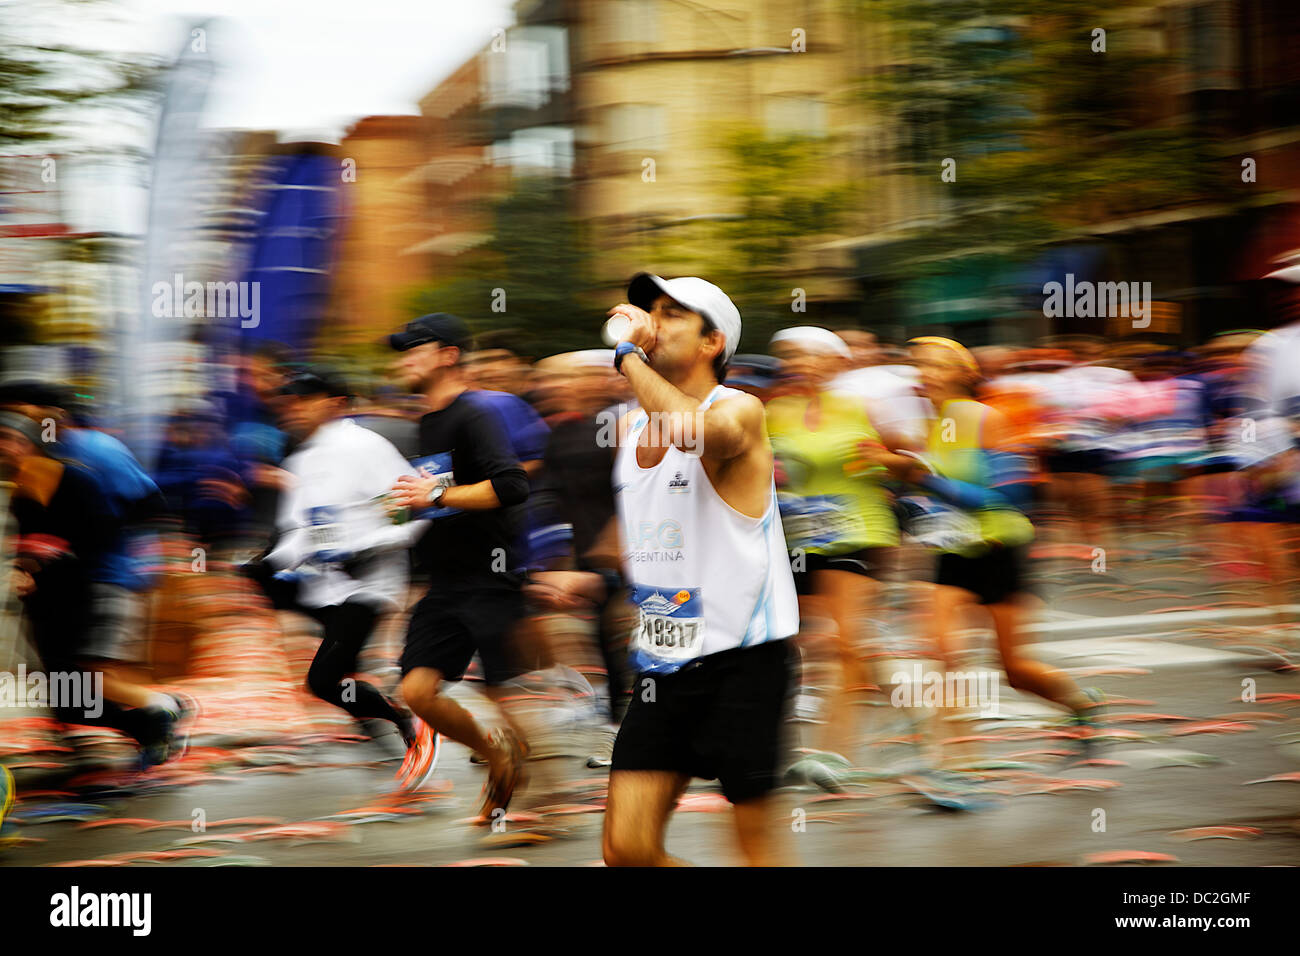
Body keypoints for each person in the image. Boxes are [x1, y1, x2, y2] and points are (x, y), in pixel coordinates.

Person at [600, 273, 799, 867]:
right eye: (646, 312)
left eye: (670, 314)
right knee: (627, 850)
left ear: (713, 342)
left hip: (745, 660)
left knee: (757, 854)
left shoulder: (739, 409)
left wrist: (627, 354)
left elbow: (692, 432)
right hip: (665, 661)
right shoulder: (631, 427)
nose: (651, 323)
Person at [865, 337, 1101, 780]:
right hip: (951, 554)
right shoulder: (933, 425)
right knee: (943, 655)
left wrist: (919, 475)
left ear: (964, 373)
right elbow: (929, 493)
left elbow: (1010, 498)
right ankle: (954, 763)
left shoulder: (985, 418)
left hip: (1000, 551)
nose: (927, 372)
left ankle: (1081, 705)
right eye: (920, 365)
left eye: (938, 365)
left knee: (1013, 671)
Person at [243, 369, 434, 785]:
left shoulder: (365, 446)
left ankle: (408, 725)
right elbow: (300, 530)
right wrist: (271, 561)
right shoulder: (299, 458)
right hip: (321, 585)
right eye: (289, 402)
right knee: (337, 672)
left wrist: (365, 548)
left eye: (304, 400)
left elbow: (415, 511)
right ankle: (386, 732)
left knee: (324, 677)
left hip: (368, 584)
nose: (293, 410)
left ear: (335, 403)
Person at [385, 313, 531, 821]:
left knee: (505, 694)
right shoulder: (425, 423)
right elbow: (435, 499)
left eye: (415, 348)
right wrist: (405, 506)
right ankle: (498, 756)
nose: (406, 358)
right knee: (416, 692)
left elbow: (513, 486)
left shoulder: (475, 414)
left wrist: (438, 494)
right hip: (445, 580)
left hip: (490, 576)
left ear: (448, 354)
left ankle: (547, 808)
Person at [765, 327, 899, 774]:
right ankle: (907, 700)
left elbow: (907, 459)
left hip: (858, 530)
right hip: (799, 537)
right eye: (793, 355)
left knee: (843, 644)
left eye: (812, 355)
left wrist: (884, 458)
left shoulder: (861, 407)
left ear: (838, 363)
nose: (801, 362)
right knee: (805, 644)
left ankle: (833, 754)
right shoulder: (774, 411)